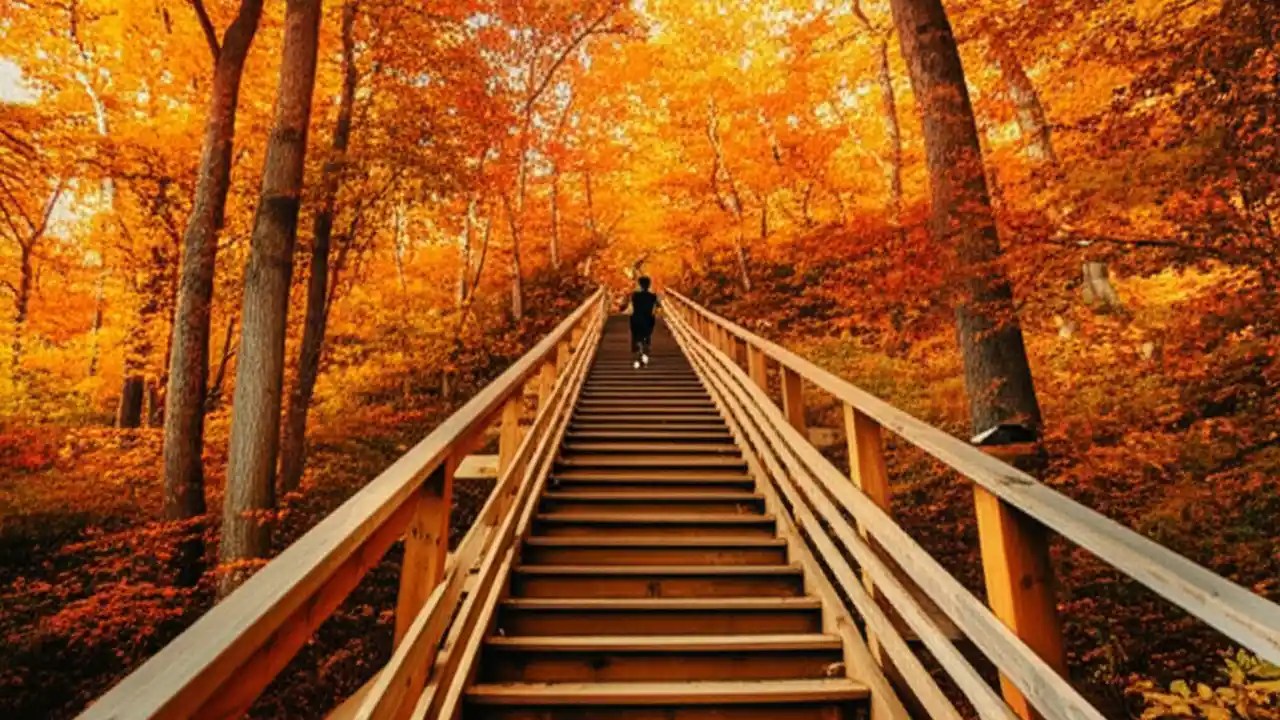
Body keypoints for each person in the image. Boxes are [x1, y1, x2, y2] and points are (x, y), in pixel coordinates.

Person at [621, 276, 660, 369]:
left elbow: (627, 304)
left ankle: (639, 351)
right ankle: (644, 353)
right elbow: (658, 305)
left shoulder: (635, 295)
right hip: (648, 319)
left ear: (640, 284)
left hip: (636, 318)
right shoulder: (652, 296)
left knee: (637, 337)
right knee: (646, 337)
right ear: (649, 284)